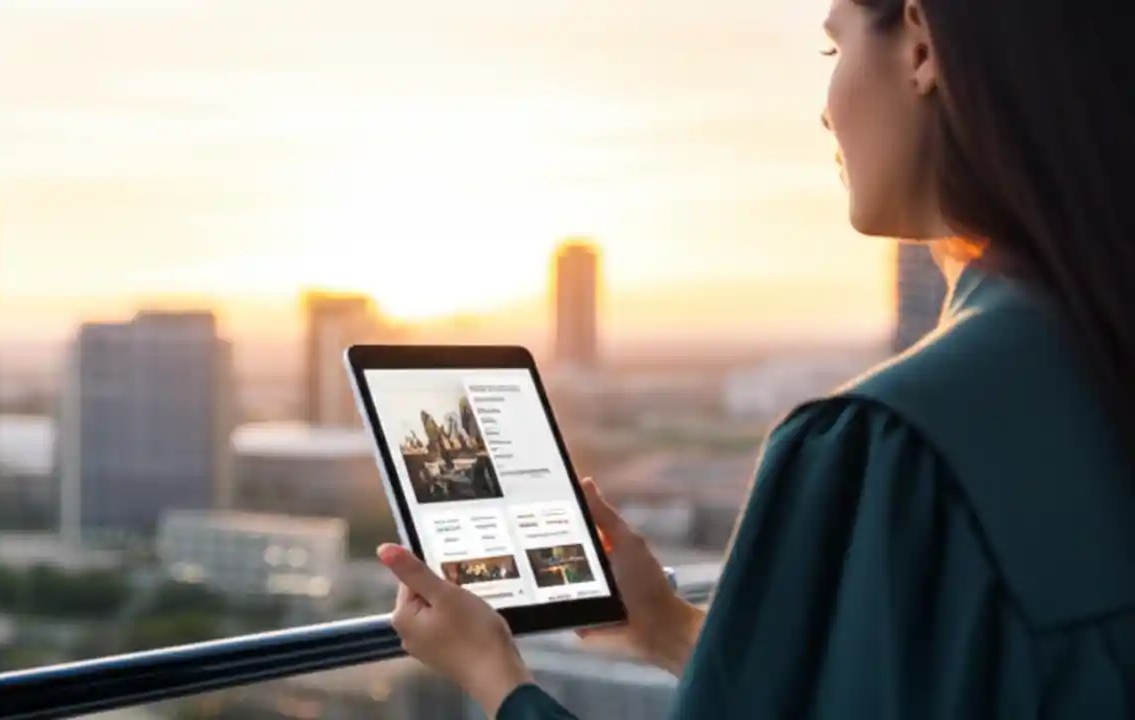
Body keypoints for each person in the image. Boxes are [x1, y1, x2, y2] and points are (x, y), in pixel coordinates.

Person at [376, 0, 1135, 717]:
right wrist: (667, 626)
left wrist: (496, 676)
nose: (824, 107)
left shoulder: (889, 448)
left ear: (921, 46)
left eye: (832, 46)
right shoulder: (1094, 357)